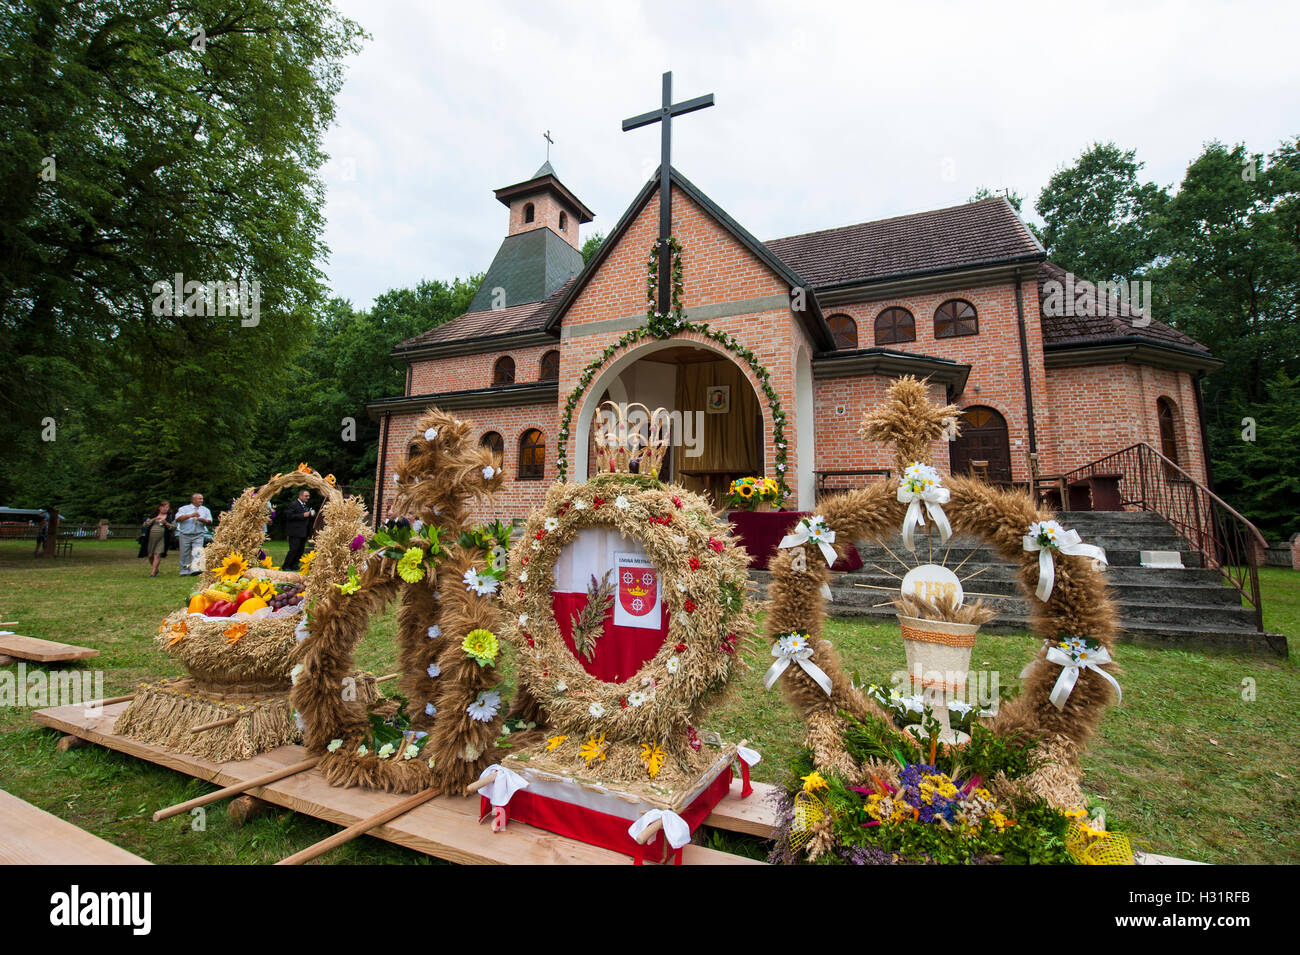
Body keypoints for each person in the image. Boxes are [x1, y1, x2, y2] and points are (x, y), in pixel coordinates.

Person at [174, 493, 213, 576]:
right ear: (193, 500)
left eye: (202, 499)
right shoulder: (184, 509)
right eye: (199, 499)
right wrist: (191, 515)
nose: (201, 500)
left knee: (198, 551)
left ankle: (196, 570)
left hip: (198, 534)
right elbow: (178, 519)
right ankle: (184, 571)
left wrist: (203, 520)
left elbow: (210, 521)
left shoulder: (205, 510)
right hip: (185, 534)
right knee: (184, 553)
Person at [282, 489, 315, 571]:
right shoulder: (293, 504)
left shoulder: (305, 505)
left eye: (308, 496)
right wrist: (303, 515)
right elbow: (289, 516)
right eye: (306, 496)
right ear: (300, 496)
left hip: (303, 532)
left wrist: (311, 514)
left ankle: (294, 565)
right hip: (295, 531)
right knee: (294, 549)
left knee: (300, 550)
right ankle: (286, 565)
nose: (308, 497)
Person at [139, 501, 174, 577]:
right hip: (151, 537)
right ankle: (155, 569)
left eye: (167, 507)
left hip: (162, 538)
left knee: (157, 554)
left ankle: (153, 572)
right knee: (150, 555)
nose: (165, 509)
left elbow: (173, 527)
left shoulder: (170, 517)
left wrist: (166, 523)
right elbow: (145, 525)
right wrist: (154, 519)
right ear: (159, 507)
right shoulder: (153, 515)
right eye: (164, 507)